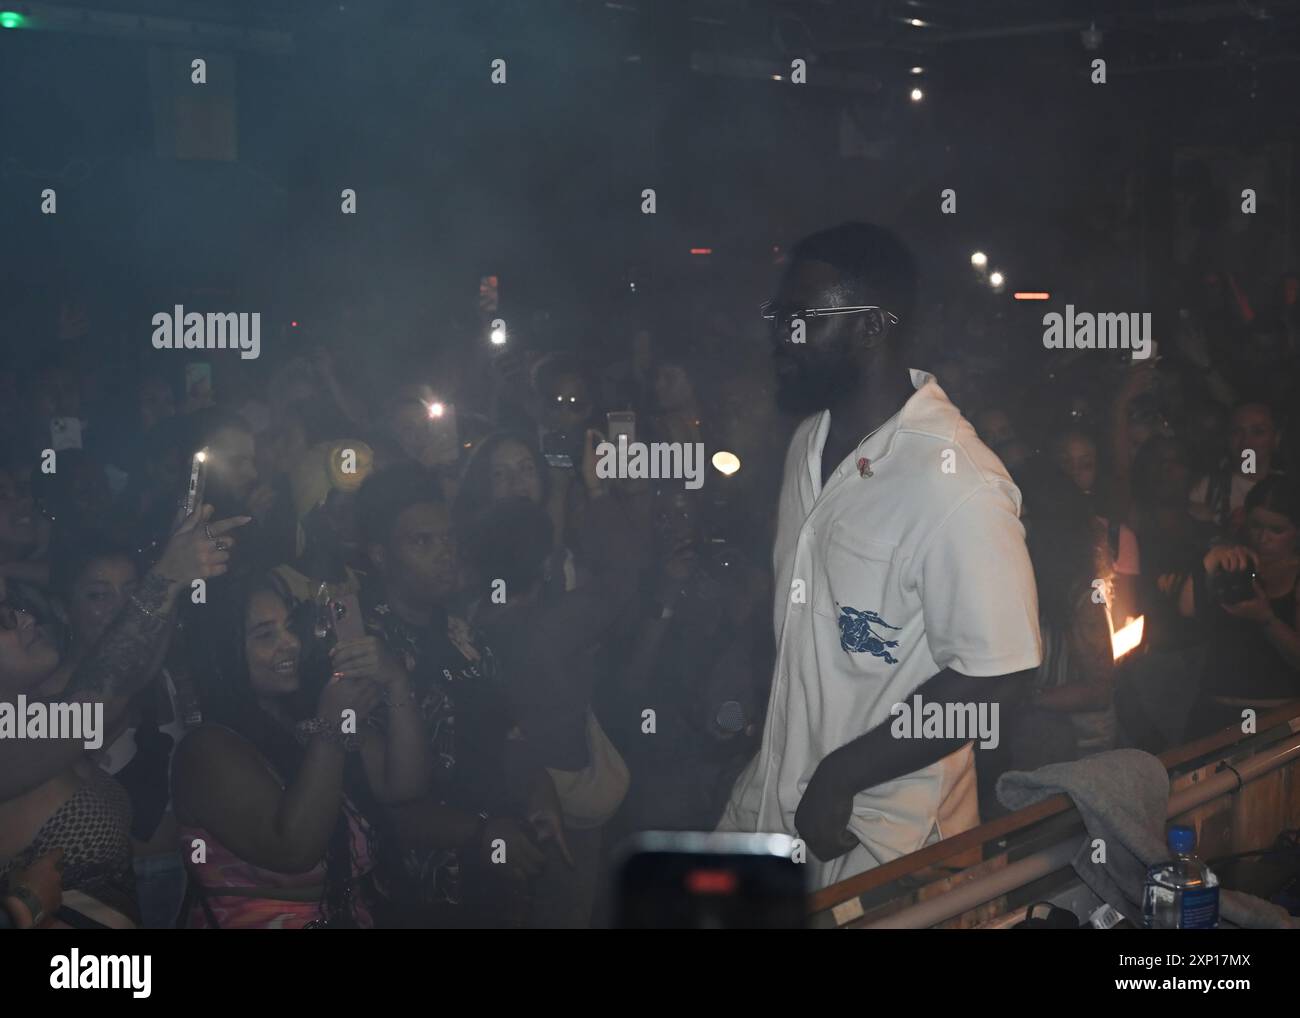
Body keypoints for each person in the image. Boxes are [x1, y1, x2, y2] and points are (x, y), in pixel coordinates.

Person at [715, 222, 1042, 890]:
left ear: (870, 328)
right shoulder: (808, 443)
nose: (784, 333)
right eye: (781, 316)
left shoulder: (956, 482)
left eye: (805, 318)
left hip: (888, 846)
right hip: (772, 801)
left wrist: (844, 773)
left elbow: (996, 677)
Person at [0, 503, 249, 928]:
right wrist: (166, 576)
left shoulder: (28, 717)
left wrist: (177, 575)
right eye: (4, 615)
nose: (24, 617)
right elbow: (108, 693)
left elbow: (133, 675)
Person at [356, 465, 565, 926]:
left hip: (493, 884)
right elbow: (381, 804)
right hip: (413, 899)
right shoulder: (362, 652)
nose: (445, 553)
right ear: (379, 555)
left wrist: (538, 788)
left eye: (448, 538)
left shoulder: (465, 635)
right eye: (422, 542)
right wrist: (484, 835)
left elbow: (508, 735)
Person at [172, 573, 428, 928]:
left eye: (290, 626)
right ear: (221, 650)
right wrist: (330, 732)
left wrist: (397, 682)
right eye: (266, 635)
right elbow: (295, 850)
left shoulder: (306, 713)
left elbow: (403, 786)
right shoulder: (207, 748)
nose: (290, 642)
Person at [1179, 475, 1300, 738]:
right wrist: (1209, 561)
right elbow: (1187, 610)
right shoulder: (1232, 560)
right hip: (1213, 711)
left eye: (1277, 530)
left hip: (1275, 718)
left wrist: (1266, 619)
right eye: (1256, 525)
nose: (1263, 537)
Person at [1189, 400, 1283, 535]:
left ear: (1276, 438)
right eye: (1237, 432)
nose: (1246, 441)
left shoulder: (1289, 487)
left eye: (1258, 432)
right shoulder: (1209, 487)